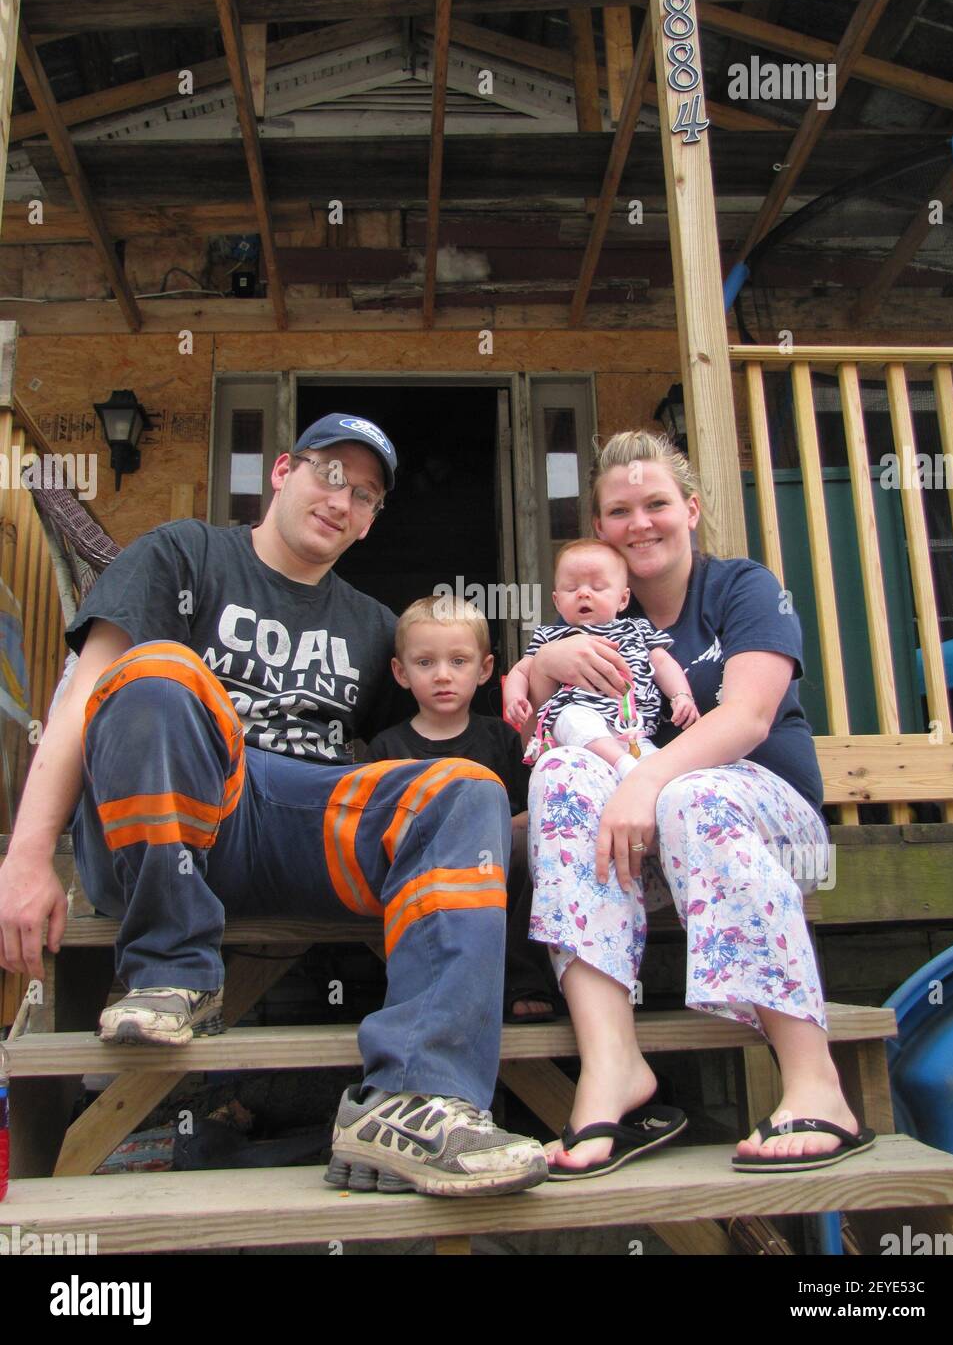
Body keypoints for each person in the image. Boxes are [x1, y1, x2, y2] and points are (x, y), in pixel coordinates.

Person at [0, 413, 548, 1199]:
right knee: (158, 671)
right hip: (183, 814)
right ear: (283, 470)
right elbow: (85, 698)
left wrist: (547, 661)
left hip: (304, 825)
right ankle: (170, 972)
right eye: (330, 474)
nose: (342, 500)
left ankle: (416, 1100)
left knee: (464, 787)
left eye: (365, 496)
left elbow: (415, 728)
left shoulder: (367, 624)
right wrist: (26, 856)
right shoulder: (181, 554)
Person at [525, 430, 875, 1180]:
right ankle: (612, 1064)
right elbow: (534, 719)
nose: (639, 523)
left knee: (691, 790)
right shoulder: (592, 619)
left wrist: (645, 781)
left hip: (764, 824)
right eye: (619, 510)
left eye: (656, 503)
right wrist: (540, 662)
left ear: (690, 508)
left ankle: (816, 1083)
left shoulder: (741, 587)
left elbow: (746, 718)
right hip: (640, 845)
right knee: (559, 776)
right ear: (599, 529)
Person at [363, 594, 556, 1023]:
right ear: (401, 672)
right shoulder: (388, 747)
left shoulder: (501, 740)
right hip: (425, 871)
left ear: (485, 669)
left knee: (532, 855)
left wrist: (491, 835)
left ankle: (523, 980)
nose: (443, 676)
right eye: (425, 663)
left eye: (459, 661)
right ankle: (426, 994)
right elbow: (376, 826)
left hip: (499, 870)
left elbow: (533, 811)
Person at [504, 539, 698, 776]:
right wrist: (515, 698)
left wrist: (681, 695)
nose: (584, 594)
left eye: (597, 587)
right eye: (571, 588)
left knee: (663, 770)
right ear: (557, 601)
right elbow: (521, 671)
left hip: (633, 731)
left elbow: (662, 662)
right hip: (577, 736)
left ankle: (638, 771)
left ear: (623, 599)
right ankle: (622, 765)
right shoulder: (551, 636)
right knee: (569, 716)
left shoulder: (637, 630)